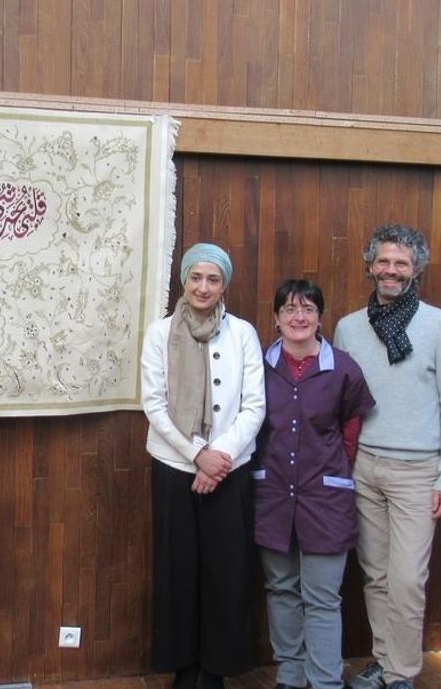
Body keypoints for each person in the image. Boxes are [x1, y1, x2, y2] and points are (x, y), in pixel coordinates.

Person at [332, 223, 441, 689]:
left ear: (416, 270)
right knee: (374, 575)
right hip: (364, 467)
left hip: (418, 472)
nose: (391, 270)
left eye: (401, 263)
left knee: (407, 580)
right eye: (383, 262)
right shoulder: (348, 328)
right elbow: (341, 404)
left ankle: (401, 674)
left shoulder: (440, 326)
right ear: (371, 266)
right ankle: (383, 660)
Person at [140, 243, 267, 689]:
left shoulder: (243, 334)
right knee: (178, 569)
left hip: (229, 470)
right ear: (184, 280)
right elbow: (153, 404)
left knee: (225, 570)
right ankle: (184, 666)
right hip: (174, 466)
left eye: (213, 279)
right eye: (196, 277)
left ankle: (215, 668)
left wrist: (219, 458)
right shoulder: (159, 334)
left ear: (224, 285)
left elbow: (254, 406)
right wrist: (197, 456)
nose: (203, 287)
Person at [254, 279, 375, 689]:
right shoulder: (259, 366)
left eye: (307, 308)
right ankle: (289, 675)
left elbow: (351, 427)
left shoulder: (343, 368)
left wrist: (332, 468)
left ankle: (324, 681)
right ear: (276, 319)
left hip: (325, 498)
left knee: (322, 597)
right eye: (289, 309)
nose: (298, 317)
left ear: (320, 317)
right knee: (281, 588)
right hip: (272, 495)